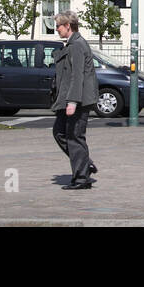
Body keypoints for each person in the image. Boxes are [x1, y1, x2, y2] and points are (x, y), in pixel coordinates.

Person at [51, 11, 99, 190]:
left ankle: (81, 179)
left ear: (68, 26)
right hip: (70, 99)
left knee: (74, 137)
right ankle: (84, 164)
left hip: (78, 100)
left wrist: (72, 102)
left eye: (58, 26)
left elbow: (77, 75)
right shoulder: (72, 44)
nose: (56, 29)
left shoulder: (78, 45)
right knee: (60, 132)